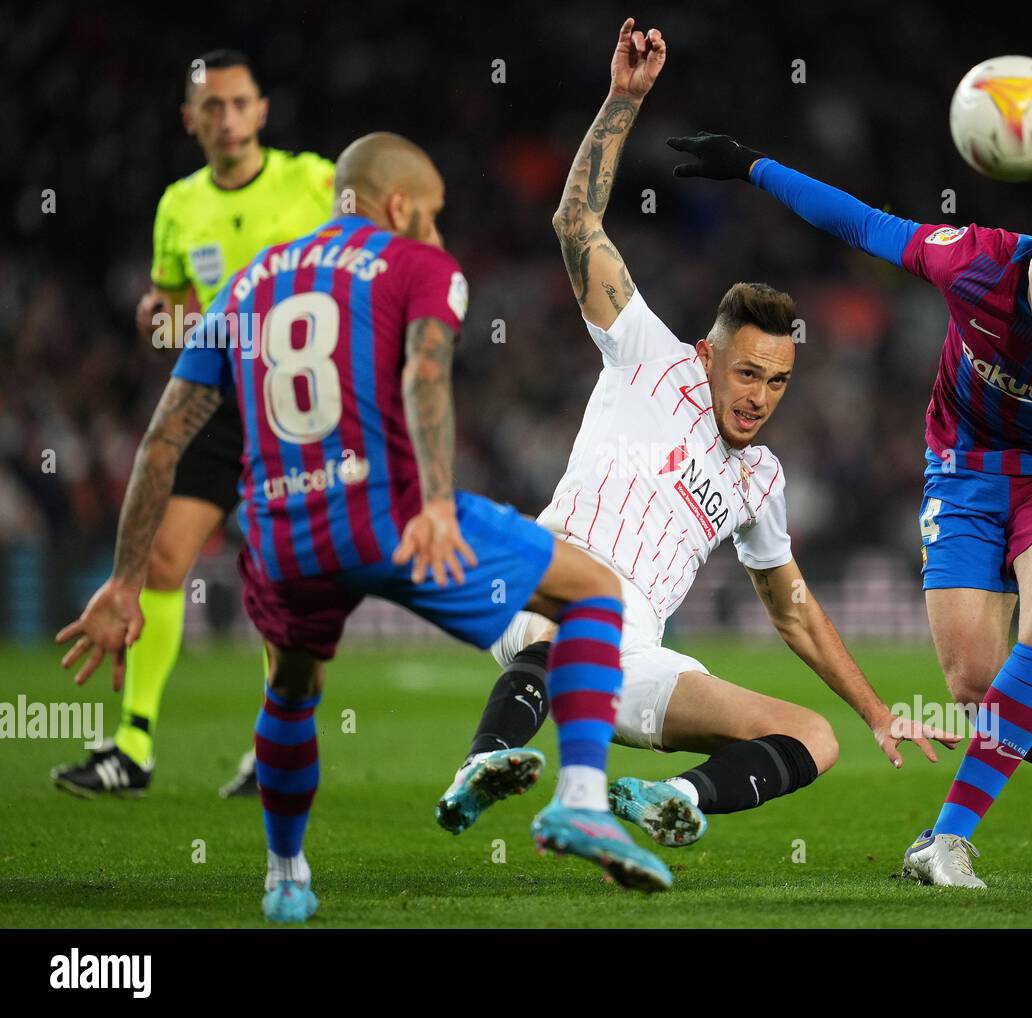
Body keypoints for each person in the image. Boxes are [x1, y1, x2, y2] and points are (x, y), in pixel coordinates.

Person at [56, 131, 673, 923]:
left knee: (291, 689)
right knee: (592, 591)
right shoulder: (419, 265)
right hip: (393, 519)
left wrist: (125, 577)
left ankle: (285, 876)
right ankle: (581, 801)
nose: (443, 234)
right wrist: (440, 501)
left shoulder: (243, 288)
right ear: (398, 205)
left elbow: (163, 438)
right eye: (437, 215)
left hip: (281, 537)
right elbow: (425, 376)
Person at [667, 131, 1032, 885]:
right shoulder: (973, 261)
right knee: (975, 684)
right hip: (964, 468)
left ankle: (944, 839)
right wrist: (752, 165)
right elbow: (863, 224)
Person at [436, 19, 956, 850]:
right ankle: (485, 761)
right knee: (579, 613)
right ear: (709, 354)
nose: (758, 397)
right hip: (541, 592)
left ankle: (667, 799)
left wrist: (875, 711)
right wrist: (621, 101)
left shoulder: (762, 481)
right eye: (746, 373)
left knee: (811, 738)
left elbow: (794, 611)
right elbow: (576, 225)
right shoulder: (649, 353)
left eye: (778, 382)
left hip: (629, 653)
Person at [52, 49, 335, 799]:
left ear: (262, 110)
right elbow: (170, 318)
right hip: (218, 397)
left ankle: (275, 746)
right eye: (212, 106)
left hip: (297, 410)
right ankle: (133, 746)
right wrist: (155, 318)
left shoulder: (312, 179)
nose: (229, 118)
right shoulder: (179, 204)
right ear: (190, 119)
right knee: (162, 560)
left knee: (281, 581)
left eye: (240, 103)